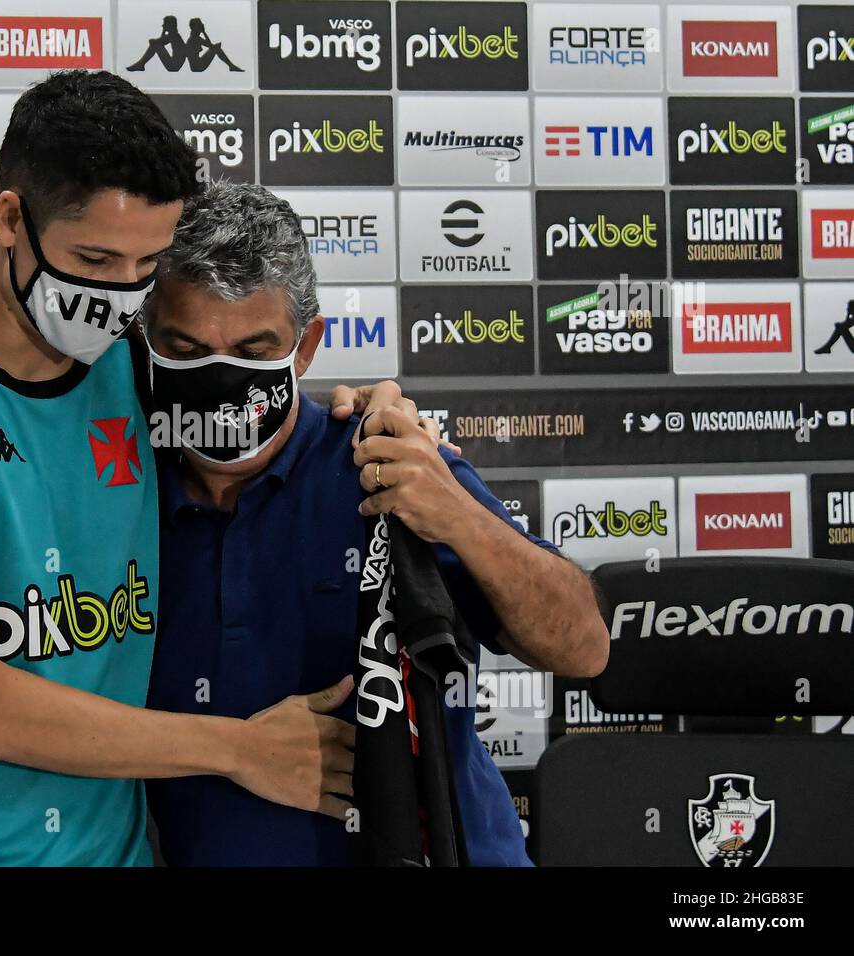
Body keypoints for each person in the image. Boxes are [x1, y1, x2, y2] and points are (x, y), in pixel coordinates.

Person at [0, 70, 356, 867]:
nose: (118, 294)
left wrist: (381, 418)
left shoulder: (144, 360)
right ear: (10, 219)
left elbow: (271, 405)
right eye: (93, 259)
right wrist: (240, 749)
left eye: (145, 268)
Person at [140, 180, 610, 866]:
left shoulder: (383, 461)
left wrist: (458, 517)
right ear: (145, 340)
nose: (221, 377)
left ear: (305, 349)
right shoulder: (116, 497)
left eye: (252, 350)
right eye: (186, 352)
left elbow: (584, 649)